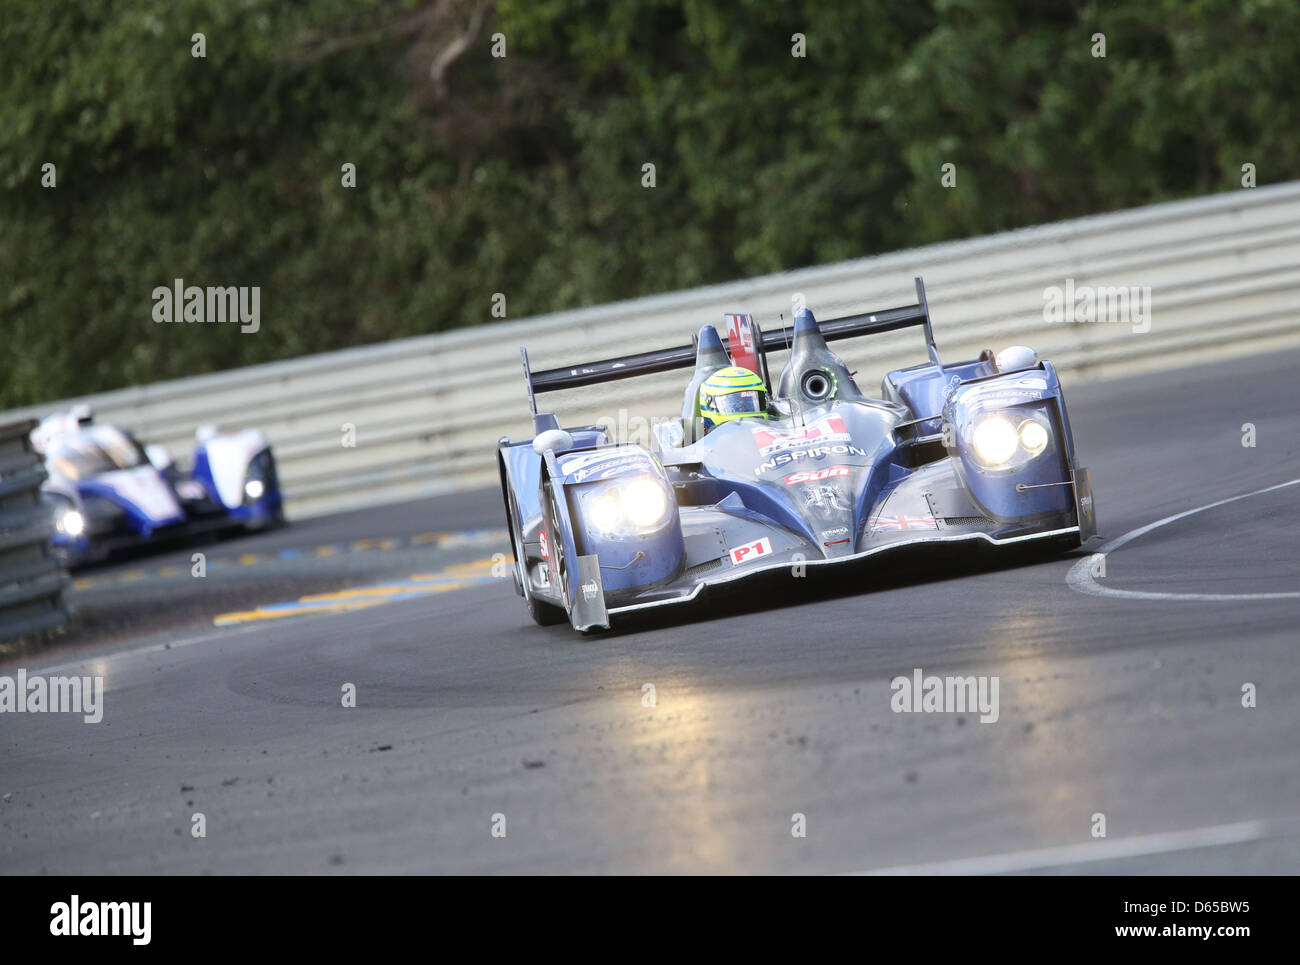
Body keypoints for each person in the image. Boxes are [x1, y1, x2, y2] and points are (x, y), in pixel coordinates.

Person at [697, 366, 768, 433]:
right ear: (710, 405)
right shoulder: (698, 439)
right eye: (735, 406)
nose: (746, 417)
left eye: (749, 403)